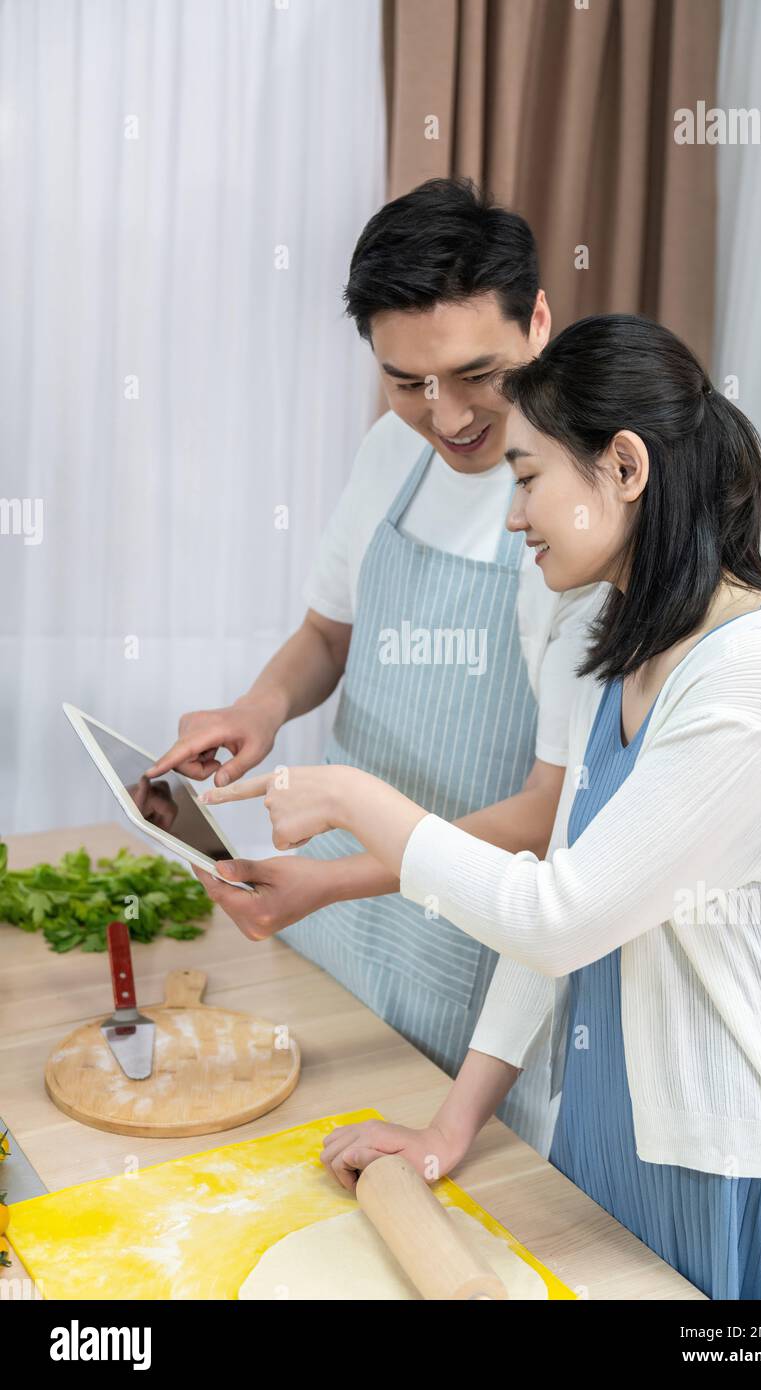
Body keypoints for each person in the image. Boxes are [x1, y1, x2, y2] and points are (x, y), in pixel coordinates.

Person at [201, 313, 761, 1301]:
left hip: (746, 1165)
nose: (516, 518)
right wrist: (451, 1127)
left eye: (527, 478)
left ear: (626, 468)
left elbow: (558, 922)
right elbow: (552, 888)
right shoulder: (626, 650)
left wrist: (352, 797)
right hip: (611, 1137)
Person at [148, 178, 602, 1152]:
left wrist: (342, 873)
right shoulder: (385, 457)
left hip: (474, 935)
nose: (446, 418)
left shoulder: (584, 527)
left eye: (475, 374)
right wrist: (259, 706)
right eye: (407, 383)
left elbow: (551, 812)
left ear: (541, 321)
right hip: (340, 922)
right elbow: (328, 635)